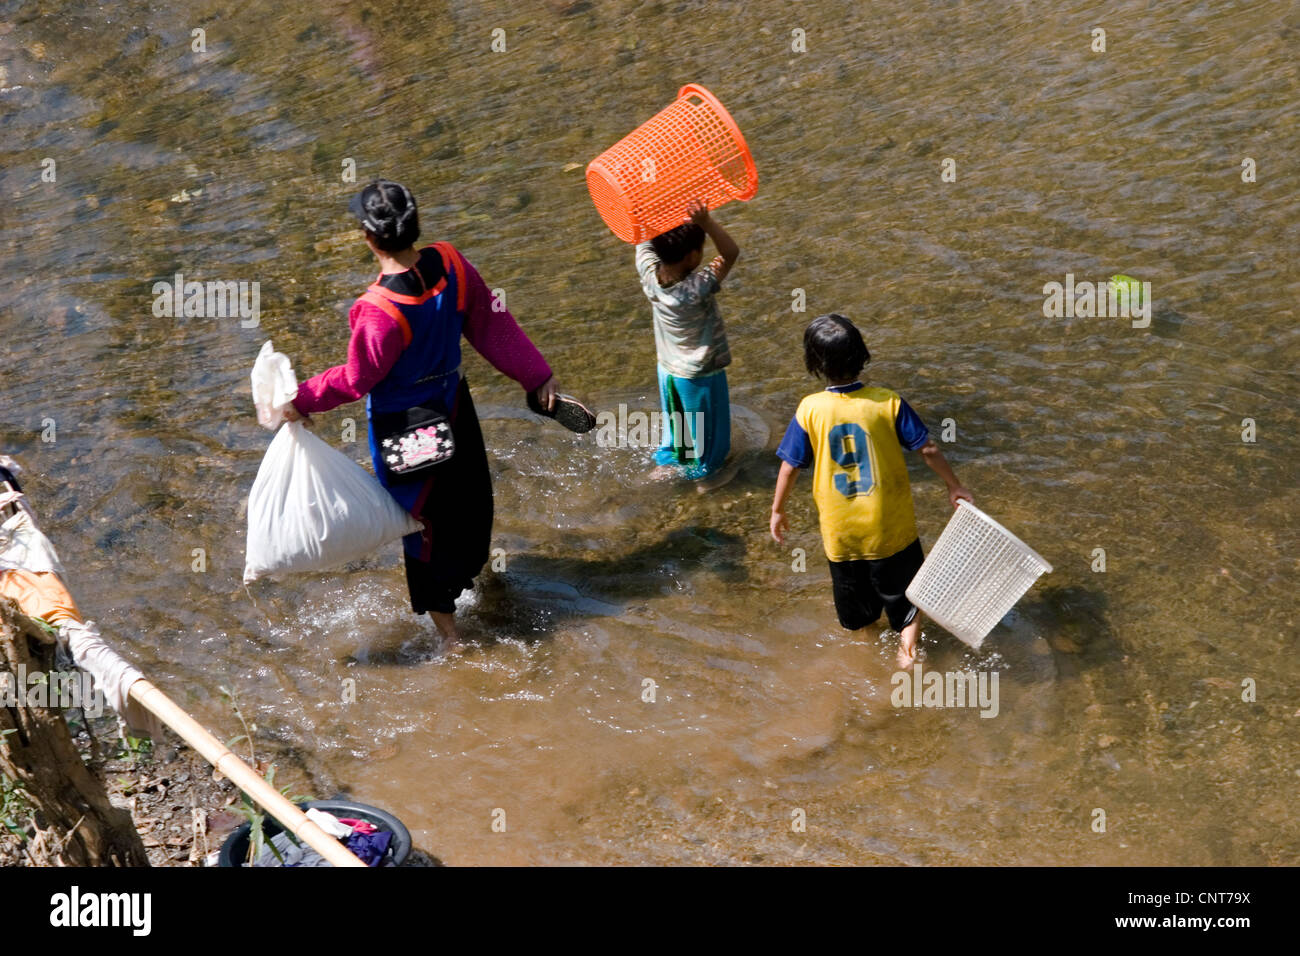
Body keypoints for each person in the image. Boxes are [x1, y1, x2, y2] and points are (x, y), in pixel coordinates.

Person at [286, 180, 567, 650]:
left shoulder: (376, 310)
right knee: (472, 505)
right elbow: (492, 323)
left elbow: (357, 379)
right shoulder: (452, 263)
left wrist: (300, 399)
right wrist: (536, 375)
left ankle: (453, 640)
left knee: (424, 525)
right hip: (456, 408)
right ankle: (477, 582)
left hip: (409, 431)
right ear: (415, 225)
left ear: (367, 237)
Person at [769, 314, 973, 669]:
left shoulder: (809, 409)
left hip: (841, 534)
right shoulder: (887, 402)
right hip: (889, 528)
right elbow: (927, 450)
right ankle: (907, 654)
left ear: (814, 363)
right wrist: (954, 486)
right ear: (862, 354)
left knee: (858, 612)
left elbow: (790, 466)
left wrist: (777, 510)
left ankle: (864, 655)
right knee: (907, 599)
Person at [635, 199, 738, 483]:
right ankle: (704, 484)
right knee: (709, 448)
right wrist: (706, 222)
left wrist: (648, 210)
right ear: (693, 256)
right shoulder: (698, 287)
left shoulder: (649, 275)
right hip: (700, 377)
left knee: (678, 429)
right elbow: (731, 253)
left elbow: (643, 241)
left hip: (668, 373)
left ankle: (662, 469)